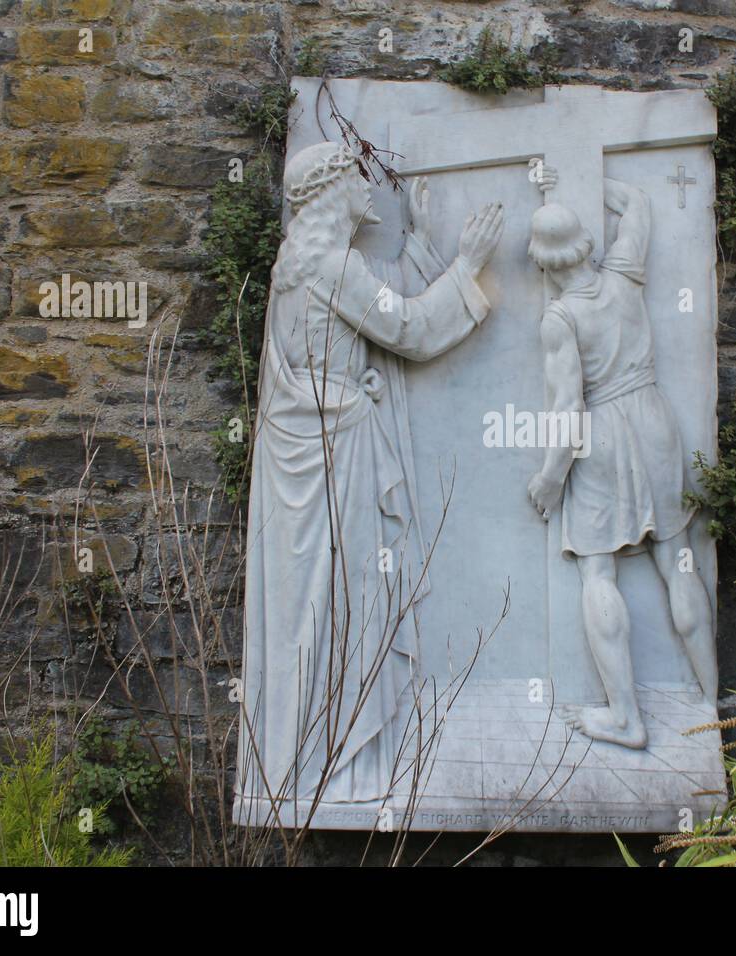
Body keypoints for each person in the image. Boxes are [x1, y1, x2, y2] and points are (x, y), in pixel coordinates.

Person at [234, 142, 504, 824]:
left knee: (314, 610)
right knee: (343, 601)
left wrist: (417, 239)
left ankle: (306, 760)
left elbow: (373, 310)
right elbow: (408, 327)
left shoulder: (296, 268)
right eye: (357, 178)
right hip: (337, 465)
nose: (367, 187)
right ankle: (344, 770)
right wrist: (468, 267)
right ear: (331, 192)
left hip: (302, 464)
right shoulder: (333, 267)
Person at [525, 169, 716, 748]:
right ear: (584, 244)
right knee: (677, 557)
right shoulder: (624, 274)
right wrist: (587, 179)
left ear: (543, 264)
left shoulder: (560, 318)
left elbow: (568, 410)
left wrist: (550, 479)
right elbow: (638, 197)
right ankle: (710, 699)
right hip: (654, 419)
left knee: (597, 570)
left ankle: (626, 718)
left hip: (602, 437)